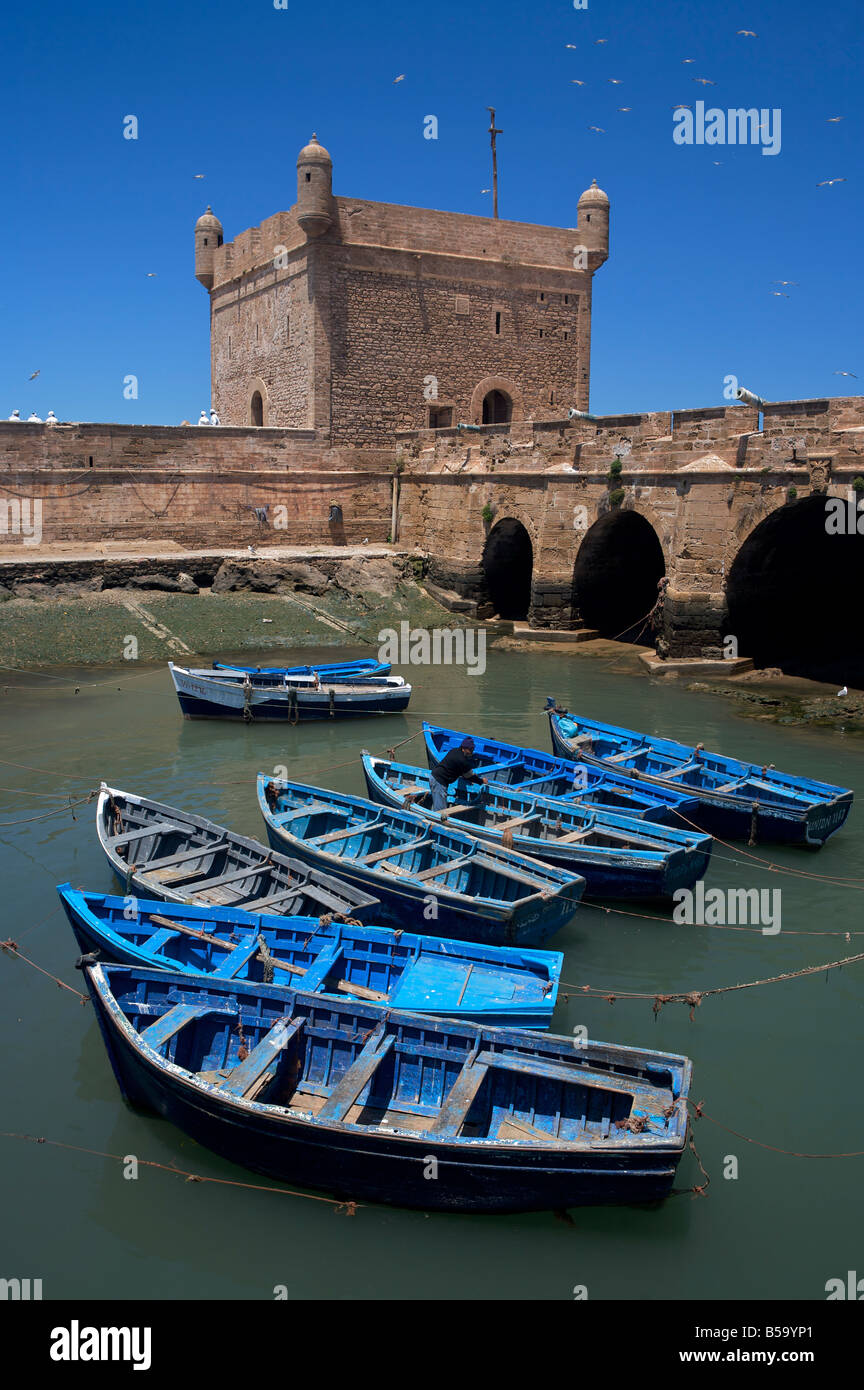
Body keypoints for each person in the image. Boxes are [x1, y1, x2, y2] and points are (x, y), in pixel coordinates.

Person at [429, 736, 486, 813]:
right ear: (464, 748)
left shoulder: (454, 750)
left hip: (435, 776)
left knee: (439, 805)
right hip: (439, 781)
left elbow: (461, 771)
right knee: (440, 812)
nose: (472, 751)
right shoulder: (462, 760)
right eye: (470, 749)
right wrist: (481, 781)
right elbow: (469, 777)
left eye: (472, 749)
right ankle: (436, 822)